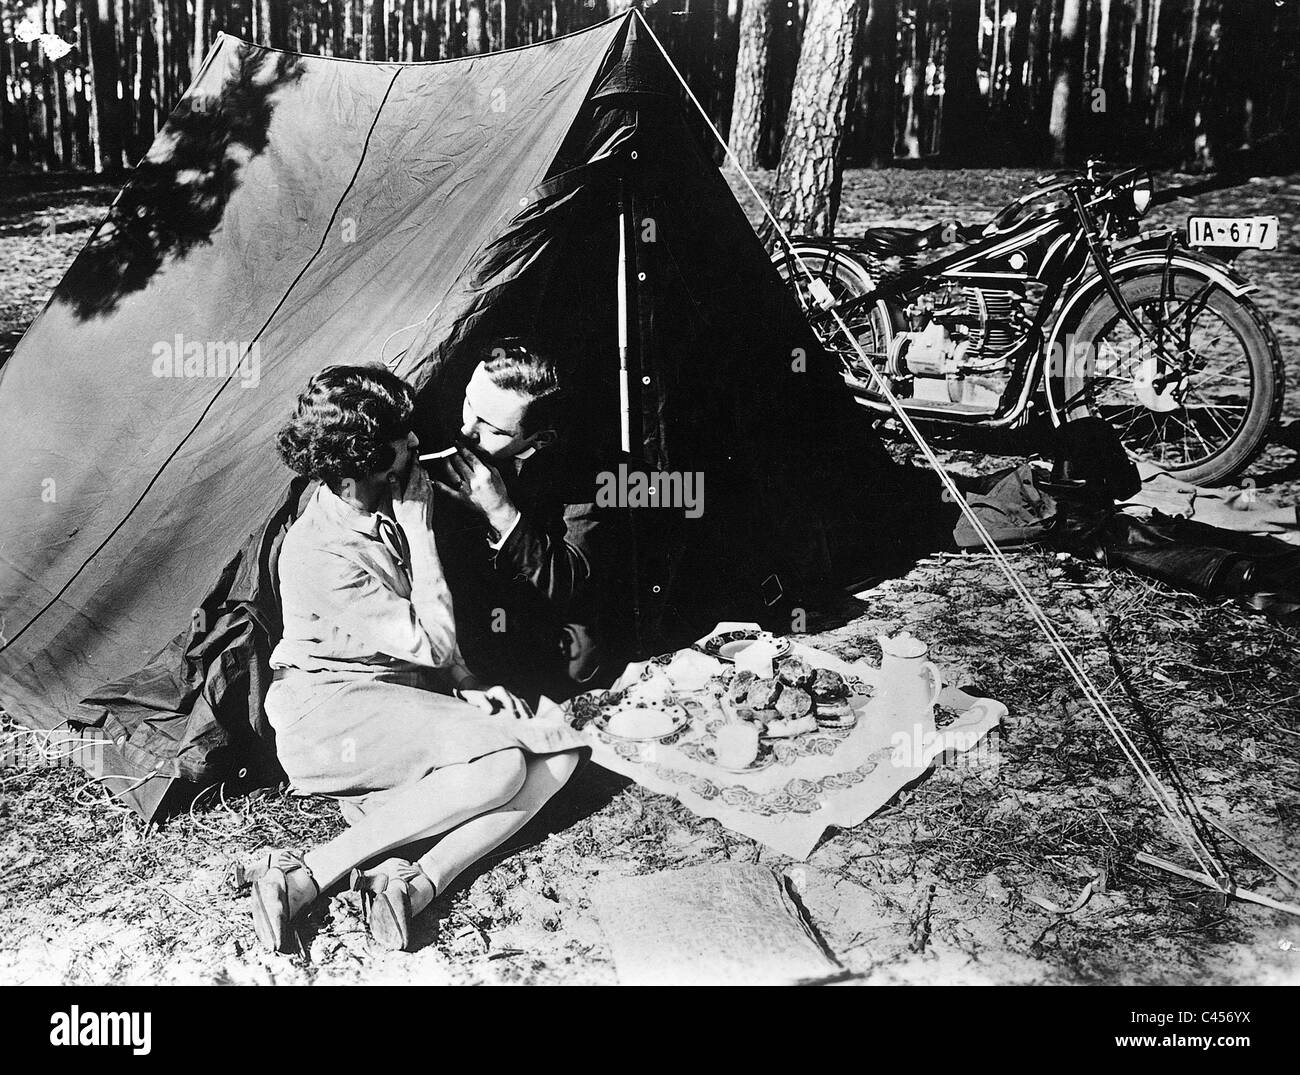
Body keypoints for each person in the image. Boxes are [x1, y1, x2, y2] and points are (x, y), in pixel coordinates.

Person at [249, 364, 586, 954]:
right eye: (400, 440)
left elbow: (433, 652)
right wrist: (421, 531)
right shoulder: (319, 550)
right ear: (363, 468)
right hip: (329, 710)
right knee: (513, 762)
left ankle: (415, 884)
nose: (414, 443)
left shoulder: (376, 497)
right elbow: (431, 640)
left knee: (561, 751)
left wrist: (466, 682)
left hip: (401, 694)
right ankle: (309, 875)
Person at [431, 339, 633, 701]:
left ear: (542, 439)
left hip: (548, 662)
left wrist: (500, 513)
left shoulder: (592, 476)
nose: (466, 431)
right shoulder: (451, 427)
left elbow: (569, 586)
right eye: (469, 404)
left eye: (493, 429)